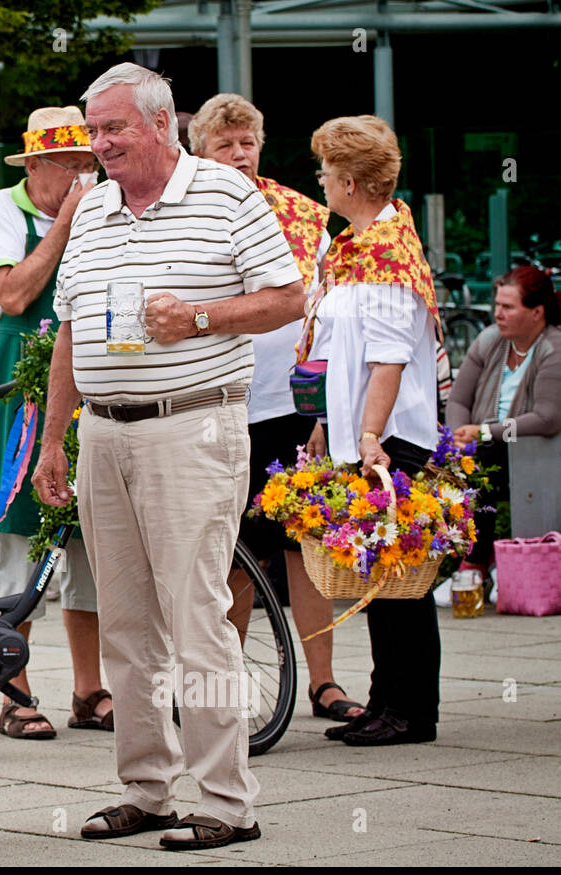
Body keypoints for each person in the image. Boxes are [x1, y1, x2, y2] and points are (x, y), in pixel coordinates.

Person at [32, 63, 306, 849]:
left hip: (192, 428)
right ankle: (147, 789)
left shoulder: (224, 193)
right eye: (93, 131)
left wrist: (201, 317)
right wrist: (56, 437)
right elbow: (72, 334)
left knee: (196, 619)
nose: (100, 143)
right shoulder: (90, 211)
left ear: (160, 124)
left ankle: (226, 803)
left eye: (112, 128)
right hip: (105, 433)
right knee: (125, 624)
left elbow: (288, 297)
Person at [189, 93, 363, 723]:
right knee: (229, 547)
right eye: (225, 145)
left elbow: (327, 305)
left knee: (304, 542)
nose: (239, 155)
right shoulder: (187, 213)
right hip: (216, 401)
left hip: (292, 403)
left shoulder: (303, 212)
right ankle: (227, 685)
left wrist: (326, 408)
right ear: (199, 151)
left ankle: (324, 682)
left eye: (247, 143)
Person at [0, 105, 108, 739]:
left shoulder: (106, 206)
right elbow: (15, 294)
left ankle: (89, 688)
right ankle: (12, 690)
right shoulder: (2, 209)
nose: (85, 180)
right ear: (41, 166)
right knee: (21, 534)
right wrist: (66, 226)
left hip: (87, 379)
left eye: (91, 166)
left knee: (87, 539)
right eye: (74, 168)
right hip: (17, 386)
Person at [304, 115, 443, 747]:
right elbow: (341, 352)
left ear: (352, 182)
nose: (321, 181)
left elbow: (388, 358)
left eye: (328, 172)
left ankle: (410, 712)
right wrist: (325, 427)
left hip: (389, 438)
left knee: (397, 576)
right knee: (378, 574)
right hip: (360, 432)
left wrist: (366, 436)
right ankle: (387, 699)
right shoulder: (358, 244)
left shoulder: (385, 252)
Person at [445, 265, 561, 573]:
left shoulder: (554, 348)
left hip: (535, 450)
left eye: (508, 307)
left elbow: (548, 419)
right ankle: (443, 561)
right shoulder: (489, 340)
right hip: (484, 443)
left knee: (486, 460)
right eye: (497, 305)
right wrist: (458, 435)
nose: (498, 314)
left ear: (537, 312)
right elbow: (458, 399)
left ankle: (476, 562)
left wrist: (485, 432)